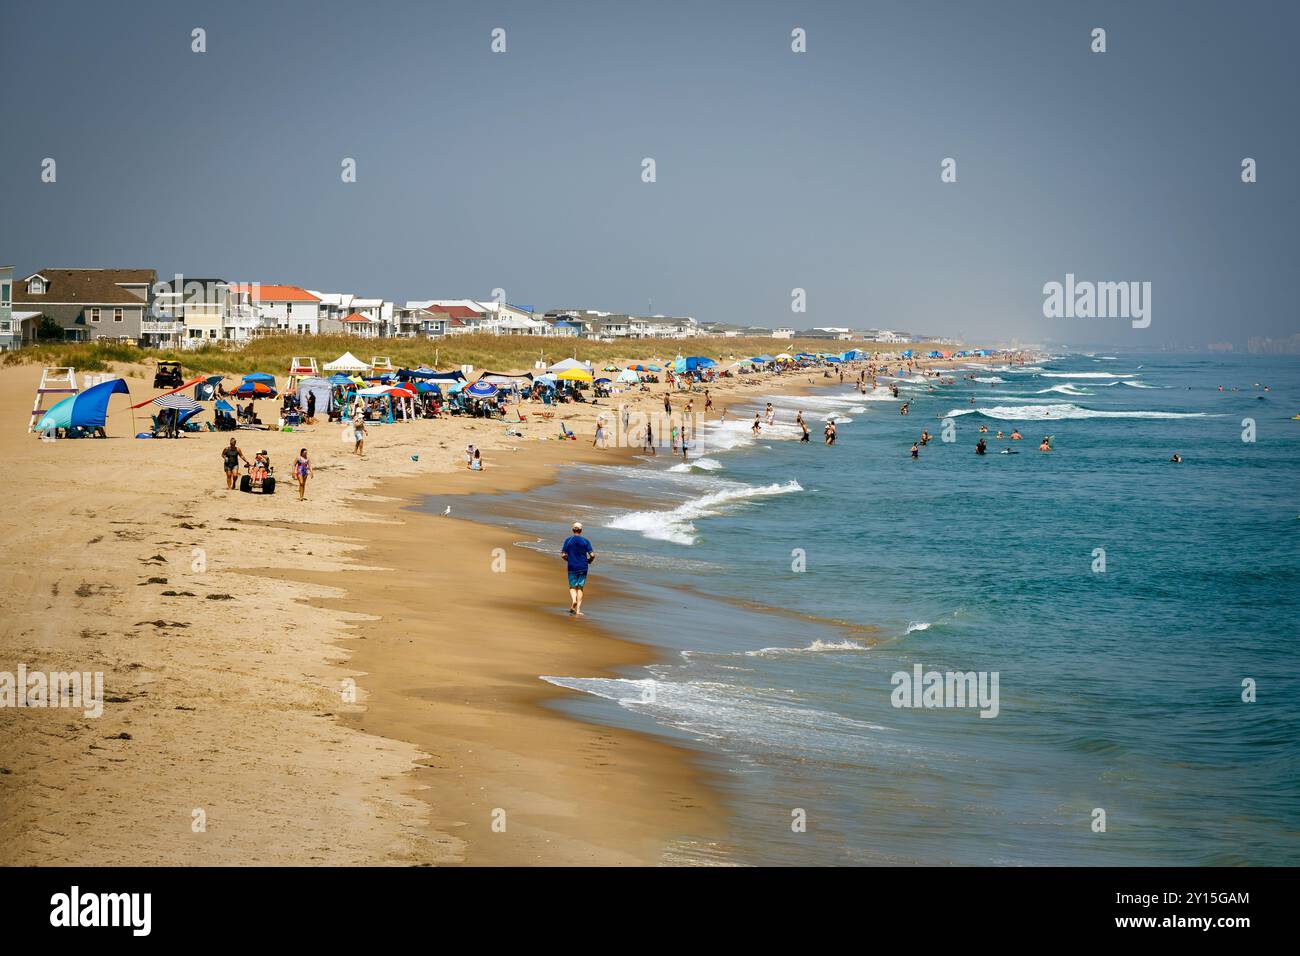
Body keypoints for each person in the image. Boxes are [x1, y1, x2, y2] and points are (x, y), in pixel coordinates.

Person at [560, 521, 595, 616]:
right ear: (581, 530)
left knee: (572, 587)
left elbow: (563, 554)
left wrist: (568, 559)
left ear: (572, 530)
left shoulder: (568, 540)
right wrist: (590, 560)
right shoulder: (585, 541)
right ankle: (578, 610)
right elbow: (592, 554)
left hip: (572, 566)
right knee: (580, 587)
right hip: (583, 567)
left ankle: (573, 600)